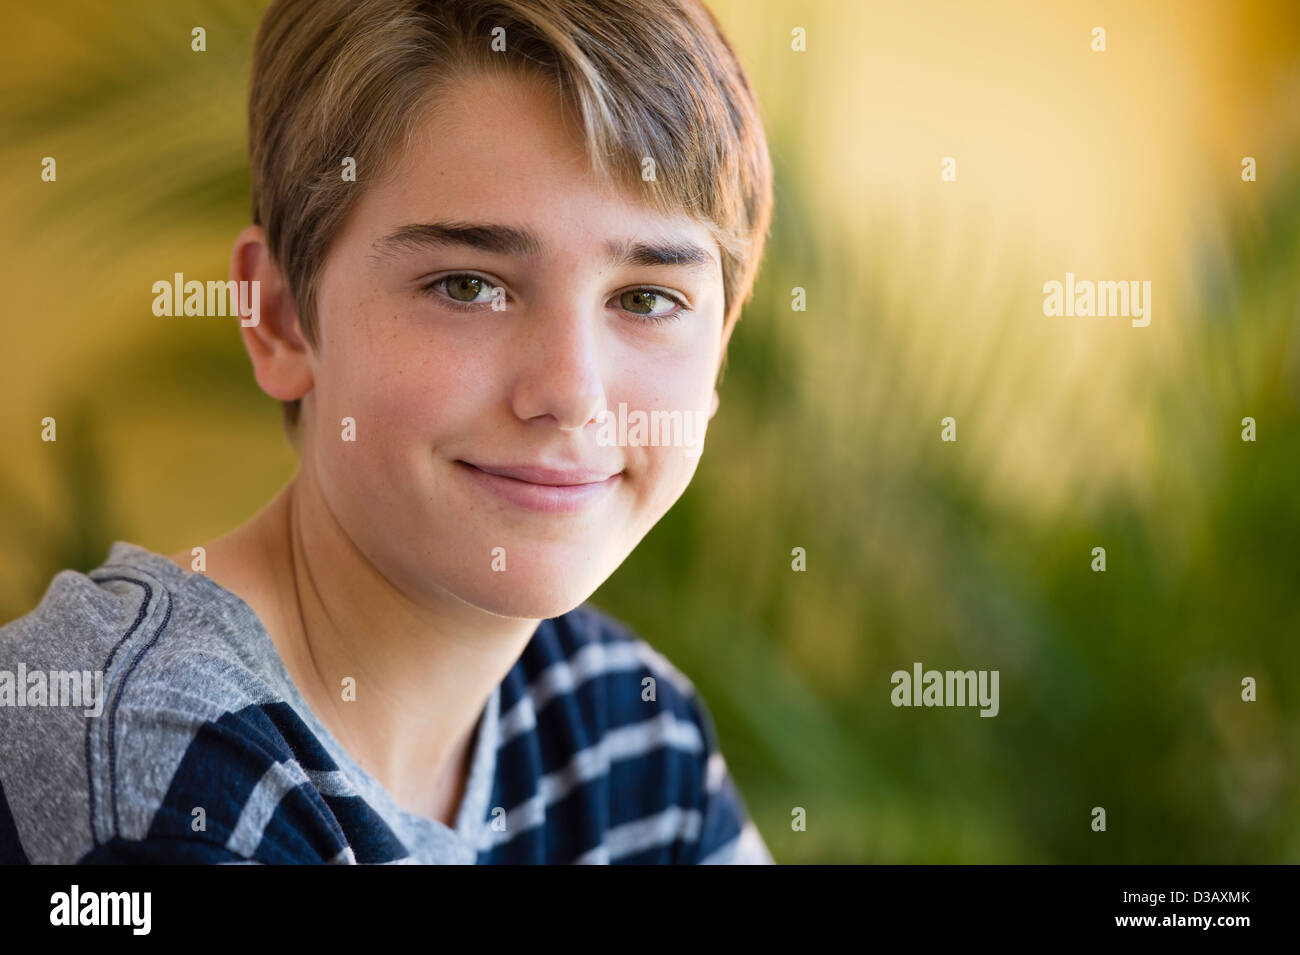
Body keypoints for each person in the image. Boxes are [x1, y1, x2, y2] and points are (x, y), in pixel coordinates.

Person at [0, 0, 775, 864]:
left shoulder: (634, 735)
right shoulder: (155, 761)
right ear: (283, 319)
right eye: (468, 286)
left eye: (645, 299)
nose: (571, 394)